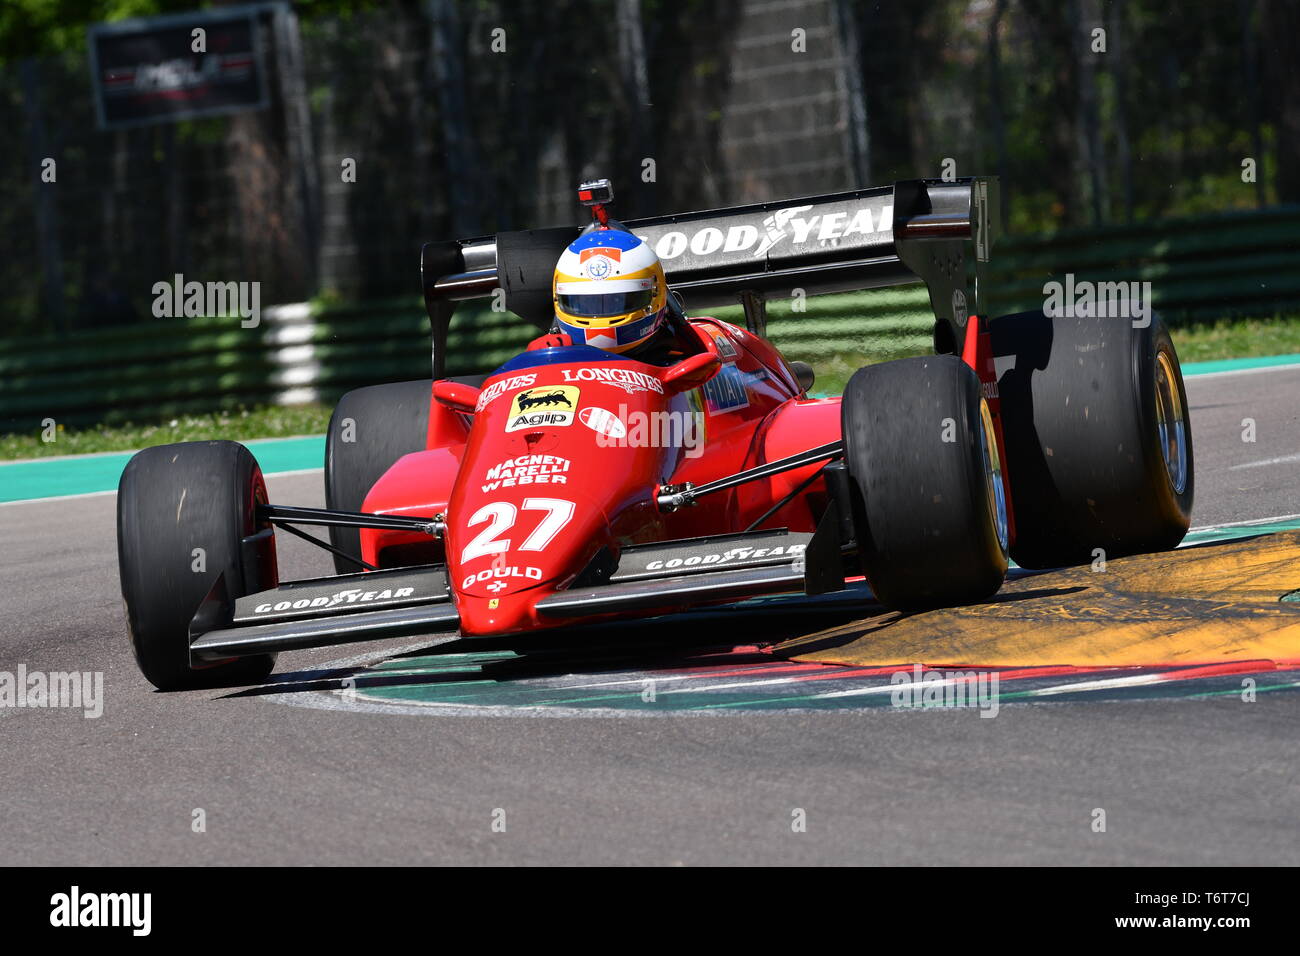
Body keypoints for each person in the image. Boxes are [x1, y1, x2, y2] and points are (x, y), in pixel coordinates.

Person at [550, 222, 698, 366]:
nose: (601, 314)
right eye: (586, 303)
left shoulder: (678, 362)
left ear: (655, 294)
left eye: (616, 301)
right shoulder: (552, 357)